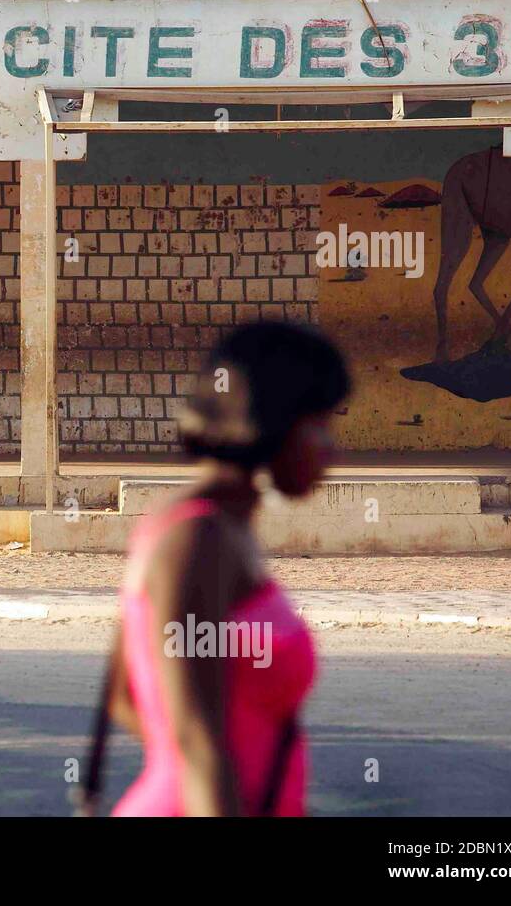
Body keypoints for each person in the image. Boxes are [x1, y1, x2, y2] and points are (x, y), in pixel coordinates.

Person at [109, 321, 350, 817]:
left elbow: (128, 694)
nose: (333, 449)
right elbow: (197, 740)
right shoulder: (198, 541)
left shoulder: (216, 528)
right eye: (320, 425)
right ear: (274, 422)